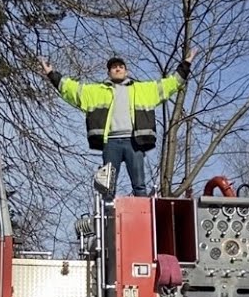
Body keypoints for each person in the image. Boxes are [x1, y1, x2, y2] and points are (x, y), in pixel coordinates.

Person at [41, 49, 197, 198]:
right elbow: (72, 90)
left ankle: (142, 213)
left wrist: (186, 63)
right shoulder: (96, 91)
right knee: (107, 185)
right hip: (111, 143)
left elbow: (171, 84)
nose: (117, 69)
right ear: (109, 72)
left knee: (139, 184)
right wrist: (51, 74)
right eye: (114, 67)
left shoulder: (144, 89)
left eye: (120, 67)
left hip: (134, 142)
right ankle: (108, 214)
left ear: (126, 71)